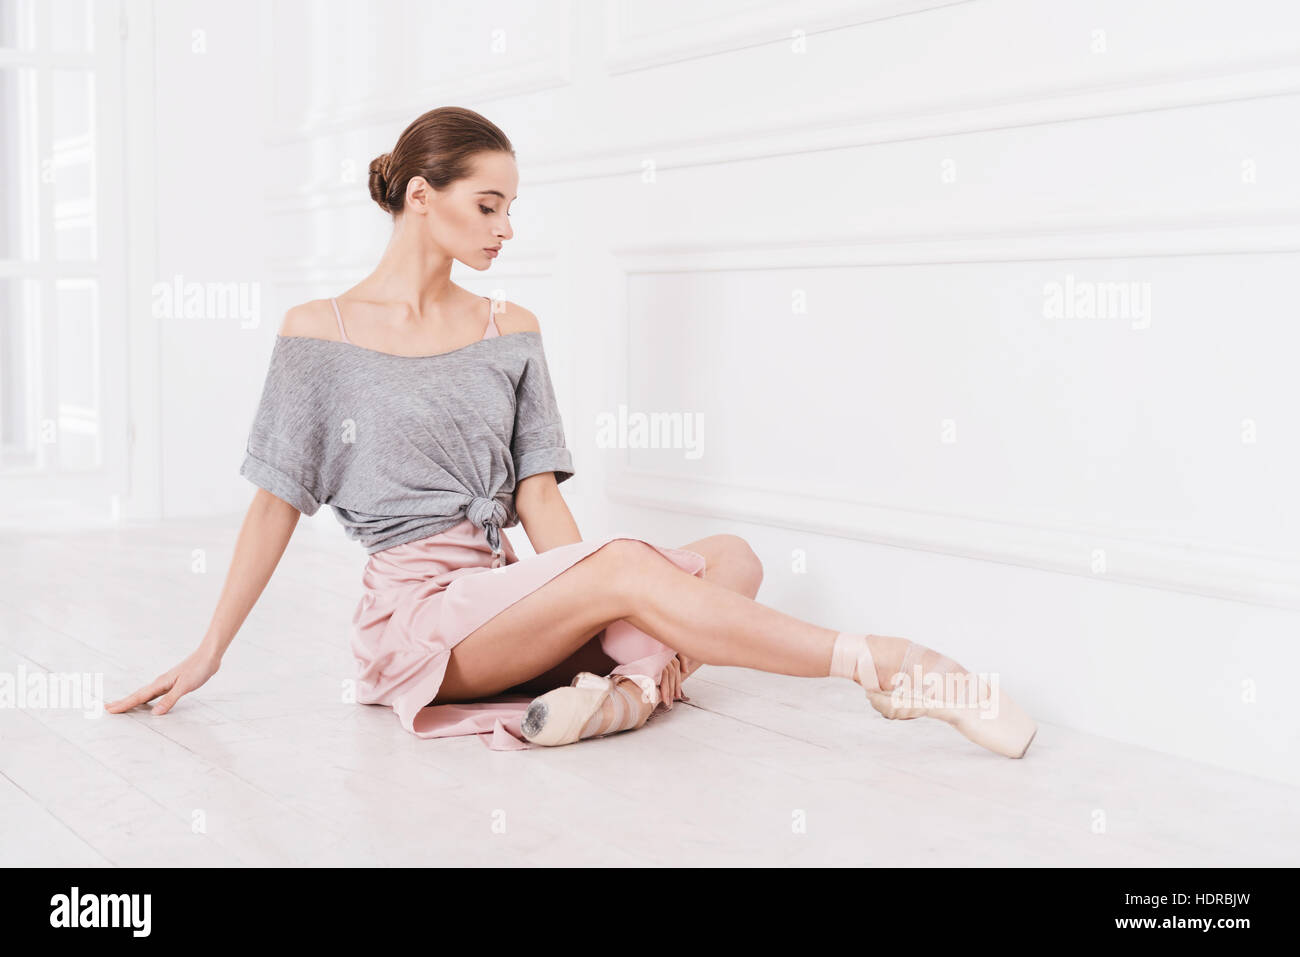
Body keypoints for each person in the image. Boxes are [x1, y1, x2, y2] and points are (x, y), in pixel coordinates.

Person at [107, 106, 1036, 757]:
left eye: (513, 207)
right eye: (489, 204)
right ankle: (890, 665)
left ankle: (622, 702)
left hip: (504, 594)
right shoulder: (321, 333)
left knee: (731, 556)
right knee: (633, 571)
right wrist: (208, 650)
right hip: (422, 626)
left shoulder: (511, 328)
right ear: (421, 196)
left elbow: (537, 498)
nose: (508, 227)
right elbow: (275, 504)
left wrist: (599, 597)